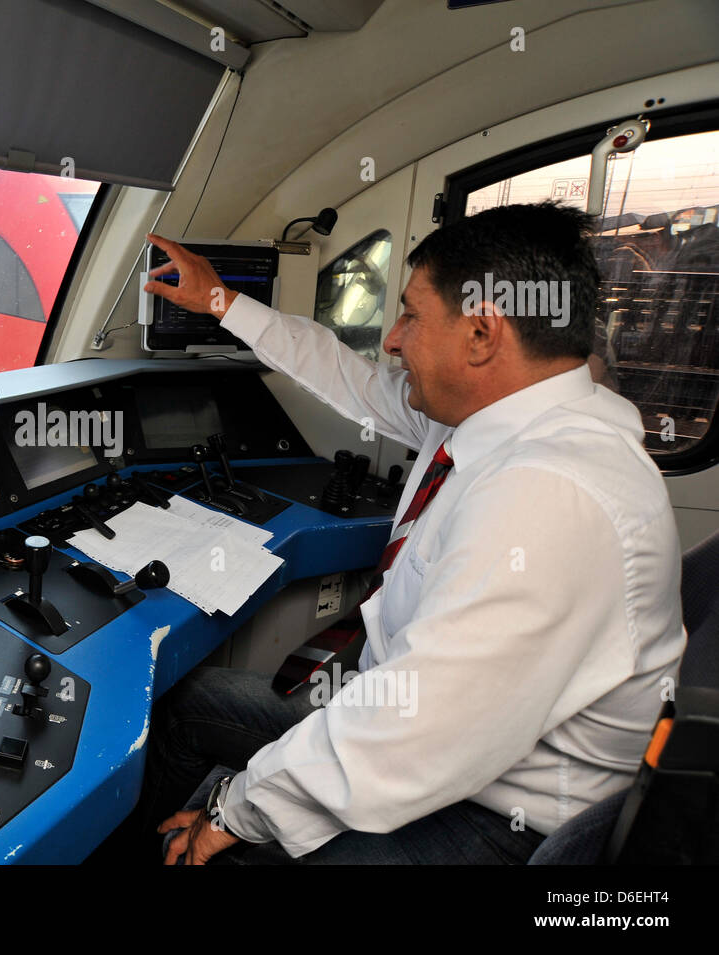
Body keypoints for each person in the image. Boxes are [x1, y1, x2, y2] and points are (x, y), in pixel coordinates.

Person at [140, 202, 686, 865]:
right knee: (196, 703)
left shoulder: (550, 496)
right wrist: (221, 300)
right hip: (420, 721)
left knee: (222, 849)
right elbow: (351, 379)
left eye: (411, 316)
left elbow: (412, 736)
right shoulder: (498, 410)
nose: (394, 340)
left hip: (495, 813)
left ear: (483, 335)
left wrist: (236, 812)